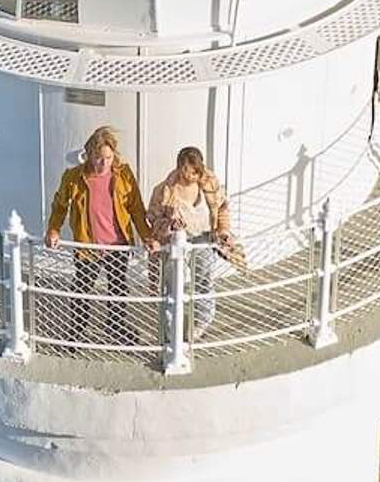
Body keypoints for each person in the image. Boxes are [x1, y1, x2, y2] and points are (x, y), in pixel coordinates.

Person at [45, 125, 151, 347]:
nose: (104, 164)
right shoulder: (73, 177)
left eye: (108, 158)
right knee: (82, 289)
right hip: (87, 247)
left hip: (117, 246)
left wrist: (147, 236)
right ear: (89, 154)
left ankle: (116, 327)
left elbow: (137, 209)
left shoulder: (124, 175)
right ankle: (76, 332)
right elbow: (60, 206)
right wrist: (53, 229)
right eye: (99, 158)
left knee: (118, 289)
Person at [146, 146, 244, 337]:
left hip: (203, 238)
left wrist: (223, 230)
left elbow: (222, 207)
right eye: (186, 170)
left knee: (203, 281)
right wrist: (170, 224)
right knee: (173, 285)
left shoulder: (210, 185)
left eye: (194, 171)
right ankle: (171, 330)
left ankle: (200, 324)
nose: (190, 176)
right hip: (173, 242)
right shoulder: (164, 191)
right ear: (179, 167)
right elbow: (152, 217)